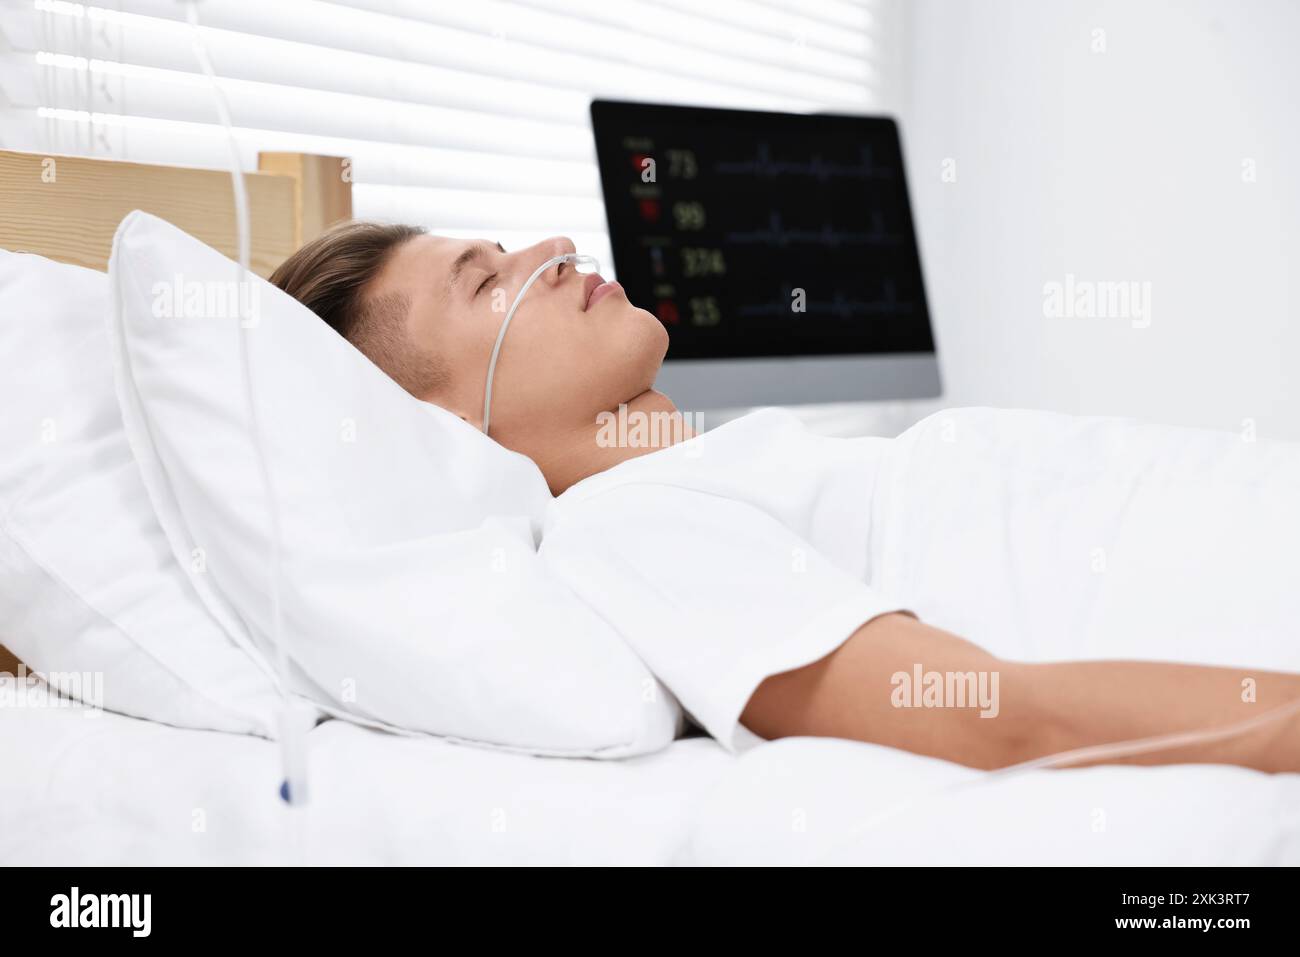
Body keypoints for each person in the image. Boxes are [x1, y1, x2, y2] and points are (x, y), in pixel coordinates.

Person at [270, 221, 1300, 773]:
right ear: (442, 430)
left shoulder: (689, 478)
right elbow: (994, 717)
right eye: (485, 282)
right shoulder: (622, 530)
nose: (551, 248)